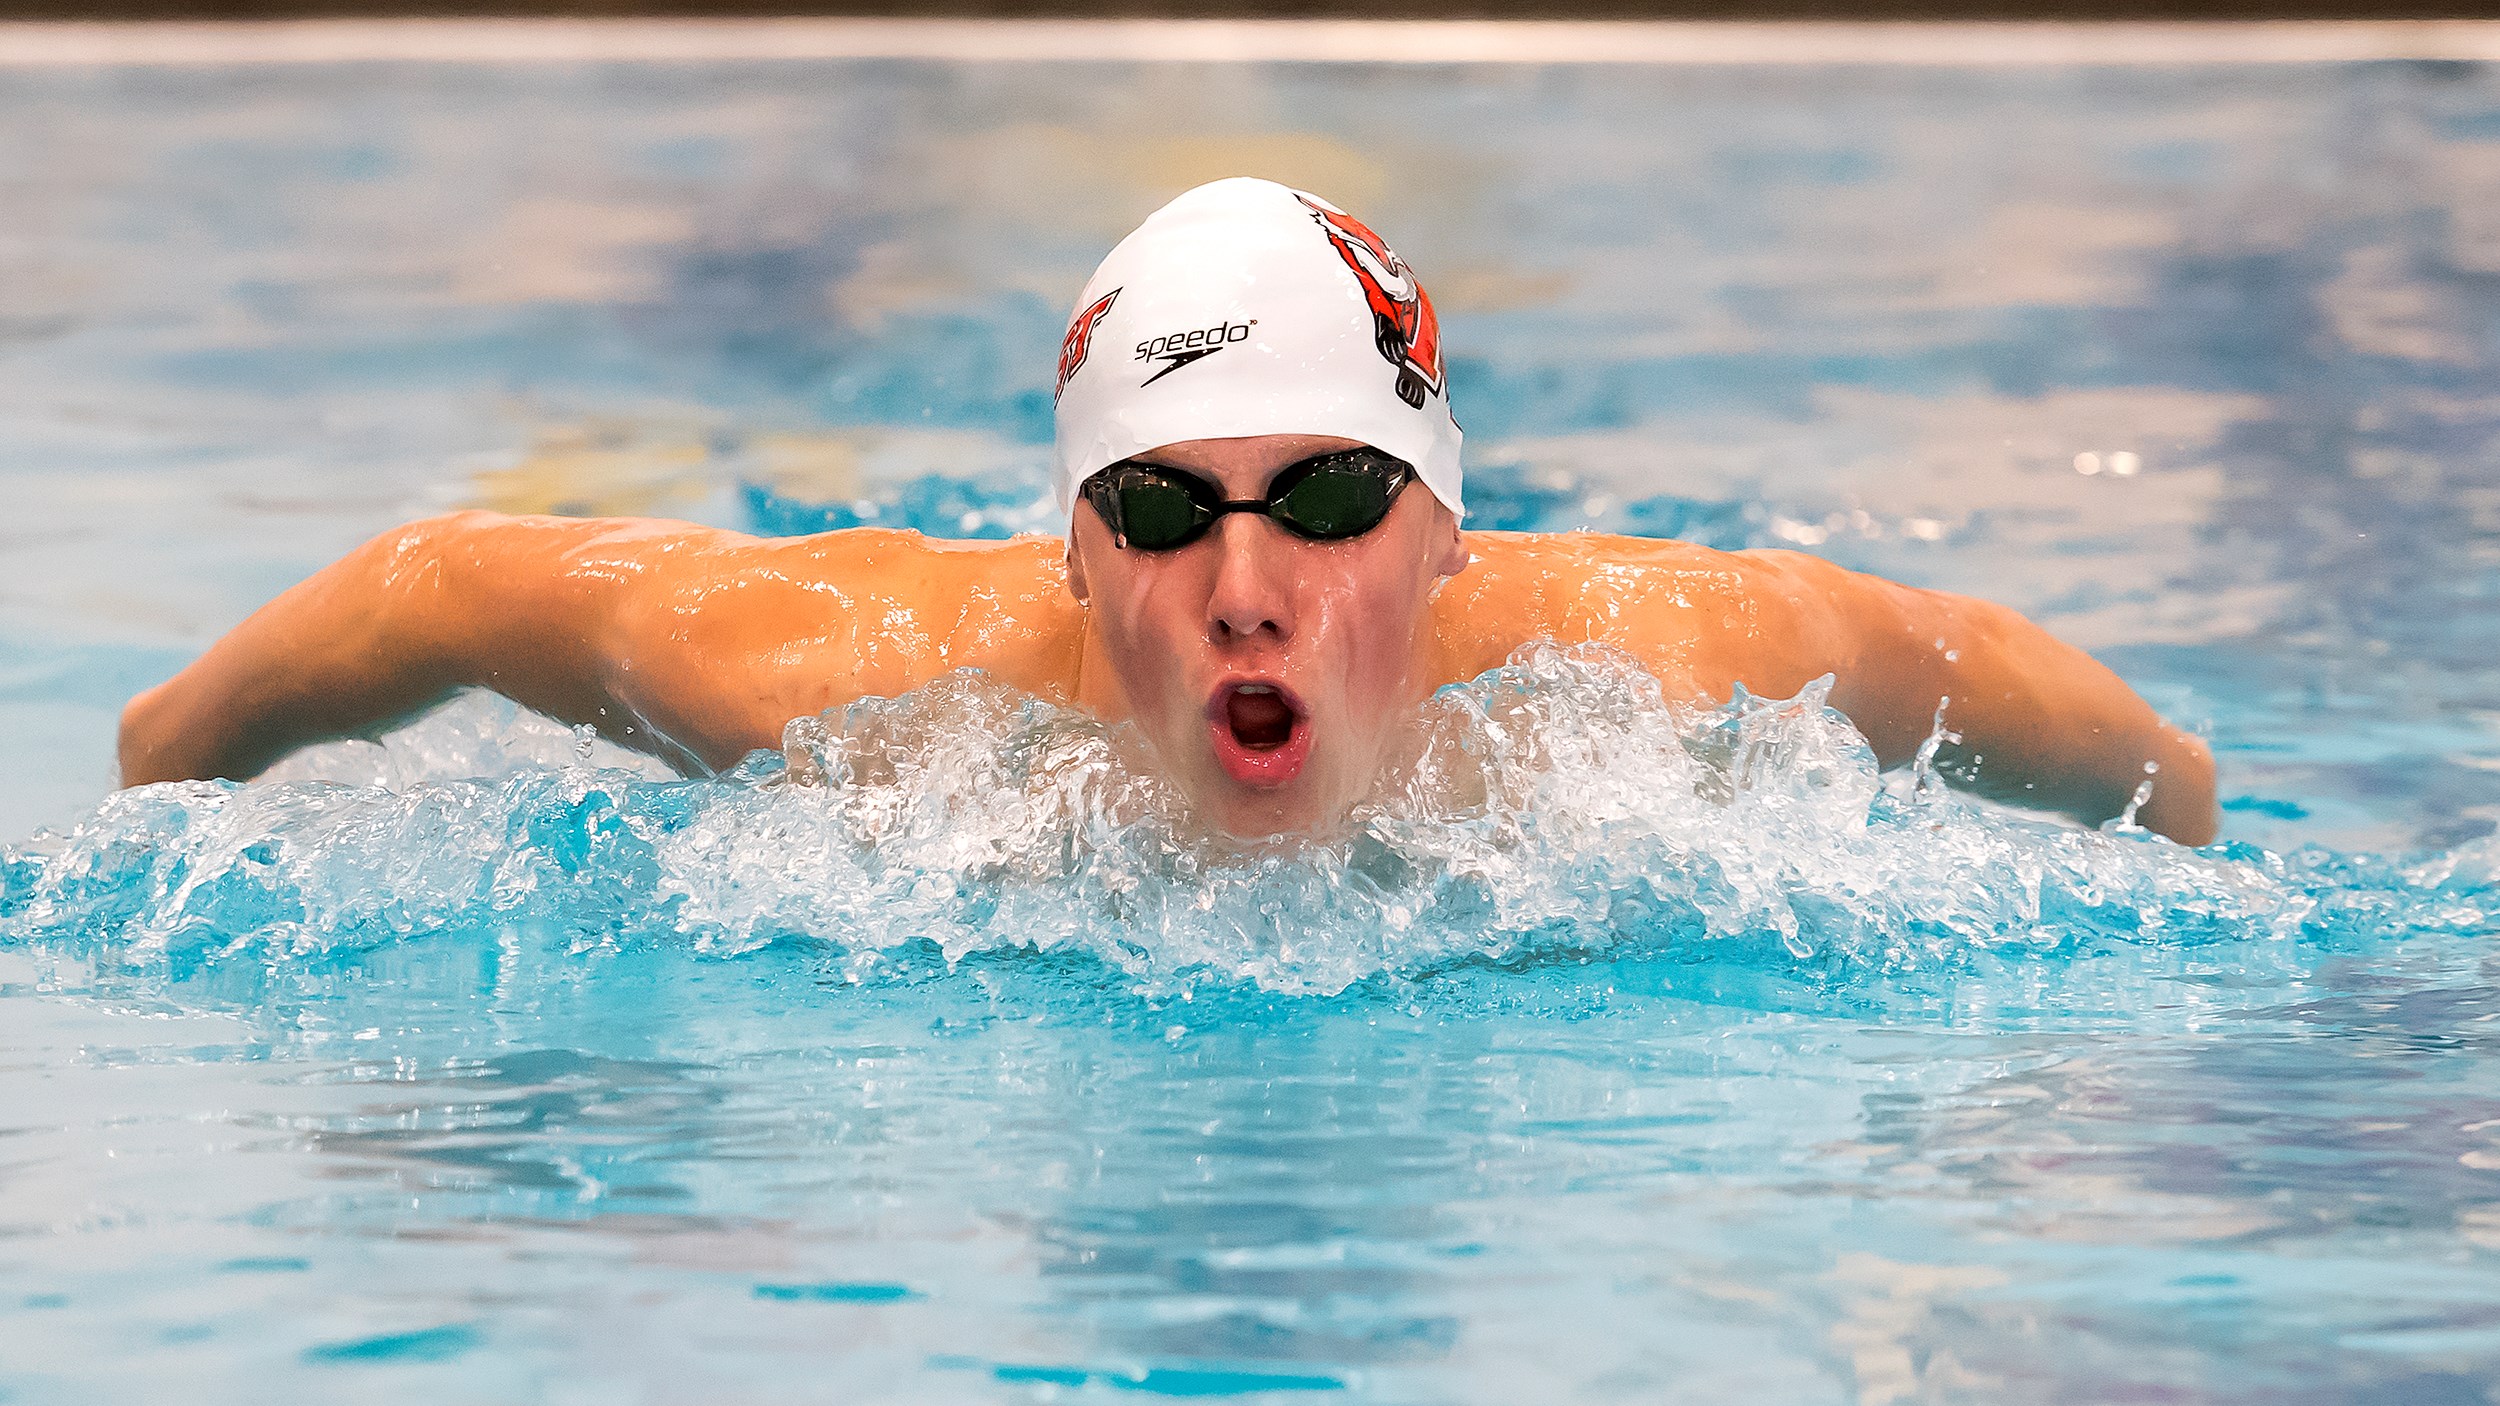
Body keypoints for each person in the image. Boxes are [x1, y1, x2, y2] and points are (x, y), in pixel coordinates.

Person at [116, 177, 2219, 846]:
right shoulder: (873, 698)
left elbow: (1995, 683)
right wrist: (150, 812)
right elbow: (446, 584)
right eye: (1155, 507)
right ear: (1063, 549)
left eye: (1321, 496)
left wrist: (2188, 844)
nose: (1242, 584)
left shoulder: (1632, 677)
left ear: (1443, 531)